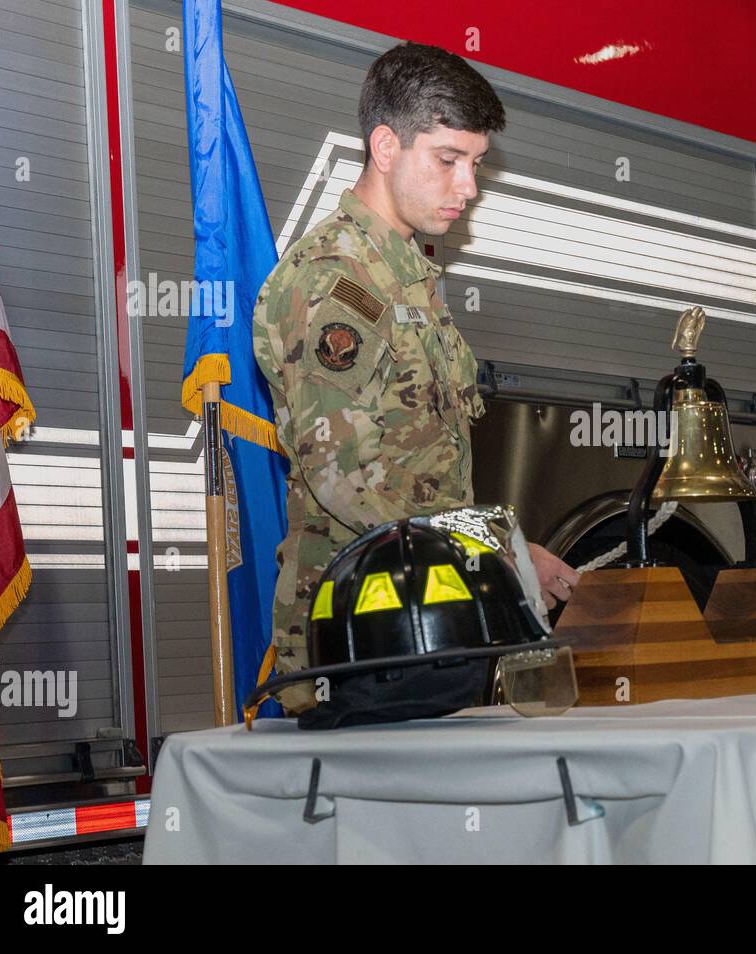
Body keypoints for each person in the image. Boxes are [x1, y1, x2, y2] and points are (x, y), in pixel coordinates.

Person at [254, 42, 578, 712]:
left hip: (420, 633)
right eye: (449, 160)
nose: (469, 186)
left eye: (476, 164)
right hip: (359, 645)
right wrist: (500, 554)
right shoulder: (335, 281)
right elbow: (349, 480)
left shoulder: (402, 277)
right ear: (385, 145)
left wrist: (512, 548)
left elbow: (423, 468)